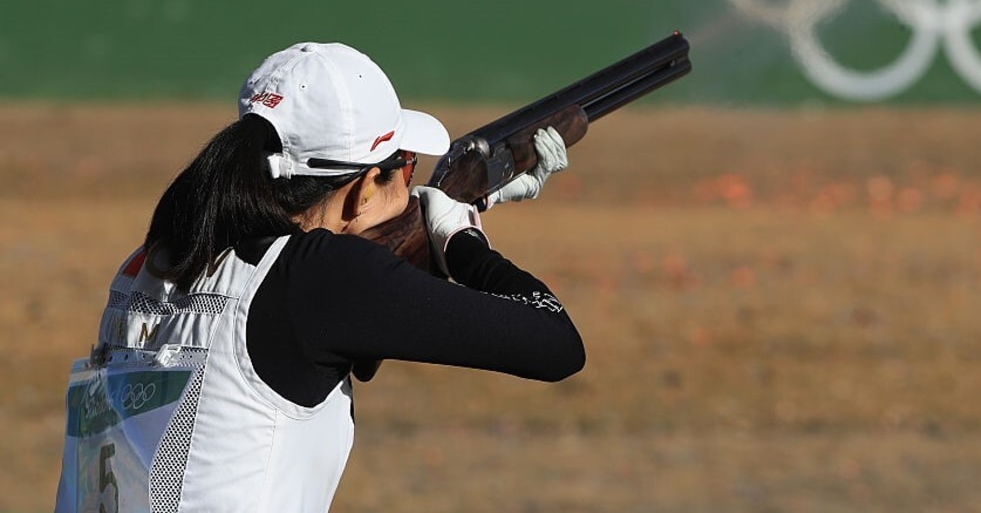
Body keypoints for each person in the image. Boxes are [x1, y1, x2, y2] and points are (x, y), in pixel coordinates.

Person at [53, 41, 585, 512]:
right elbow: (556, 344)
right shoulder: (318, 278)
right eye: (406, 168)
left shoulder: (152, 260)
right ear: (362, 189)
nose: (413, 183)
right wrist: (461, 239)